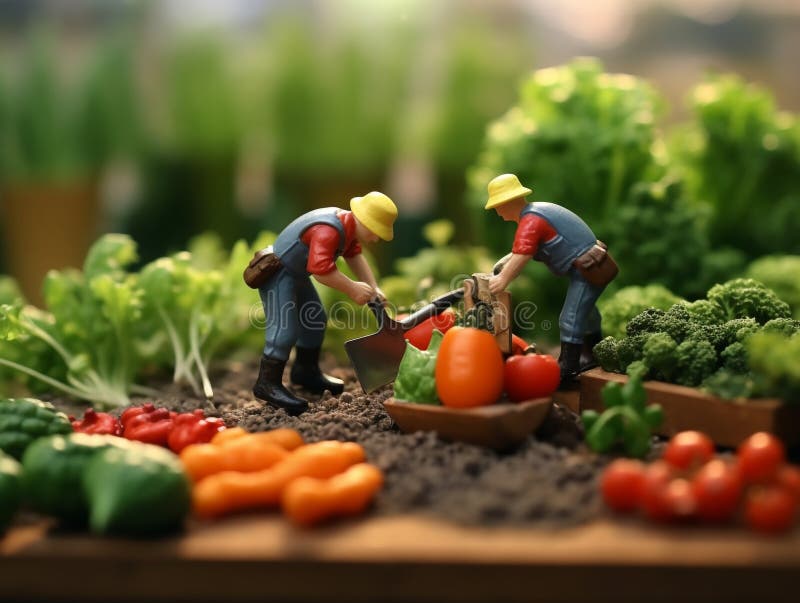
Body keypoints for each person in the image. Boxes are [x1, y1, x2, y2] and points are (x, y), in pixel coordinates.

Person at [255, 192, 398, 414]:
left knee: (315, 320)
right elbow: (320, 270)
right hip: (279, 274)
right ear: (363, 221)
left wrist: (372, 286)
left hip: (297, 274)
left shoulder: (348, 229)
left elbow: (354, 257)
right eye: (375, 231)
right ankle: (267, 384)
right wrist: (352, 288)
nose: (375, 239)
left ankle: (305, 371)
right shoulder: (329, 230)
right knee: (285, 330)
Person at [485, 173, 616, 382]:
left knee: (570, 317)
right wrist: (503, 263)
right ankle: (591, 353)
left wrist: (503, 280)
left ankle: (568, 367)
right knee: (588, 313)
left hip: (588, 269)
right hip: (592, 263)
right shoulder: (537, 213)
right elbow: (522, 249)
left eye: (498, 206)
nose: (498, 212)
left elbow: (523, 254)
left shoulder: (530, 221)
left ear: (509, 202)